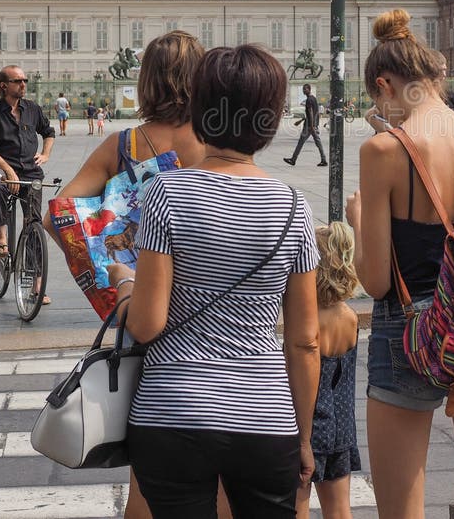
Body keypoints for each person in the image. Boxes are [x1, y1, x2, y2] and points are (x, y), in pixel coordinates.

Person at [111, 44, 320, 518]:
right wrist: (304, 438)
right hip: (265, 418)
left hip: (172, 414)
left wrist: (126, 285)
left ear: (201, 111)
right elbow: (305, 342)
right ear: (270, 120)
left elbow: (146, 325)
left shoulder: (165, 192)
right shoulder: (293, 207)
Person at [344, 9, 454, 519]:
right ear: (436, 78)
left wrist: (358, 221)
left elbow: (375, 279)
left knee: (401, 509)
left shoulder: (383, 152)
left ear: (384, 85)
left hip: (409, 329)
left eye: (378, 99)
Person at [43, 30, 207, 519]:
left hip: (145, 310)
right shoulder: (215, 140)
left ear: (148, 82)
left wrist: (112, 276)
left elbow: (60, 215)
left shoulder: (126, 144)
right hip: (208, 308)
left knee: (147, 474)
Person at [296, 222, 361, 519]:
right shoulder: (350, 317)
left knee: (298, 505)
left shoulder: (308, 320)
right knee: (339, 509)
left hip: (309, 424)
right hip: (342, 425)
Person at [0, 66, 56, 304]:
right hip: (3, 166)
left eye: (25, 79)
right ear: (4, 85)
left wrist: (45, 154)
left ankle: (37, 286)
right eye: (18, 81)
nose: (23, 84)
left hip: (31, 171)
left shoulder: (32, 109)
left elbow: (49, 132)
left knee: (34, 224)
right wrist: (8, 170)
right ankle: (1, 238)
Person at [284, 83, 327, 167]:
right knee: (318, 142)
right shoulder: (313, 98)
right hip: (313, 125)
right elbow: (313, 113)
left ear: (309, 89)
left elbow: (311, 113)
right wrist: (301, 120)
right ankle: (323, 160)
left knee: (301, 142)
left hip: (309, 126)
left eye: (305, 89)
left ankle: (293, 159)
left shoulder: (309, 100)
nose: (304, 90)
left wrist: (311, 126)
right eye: (303, 89)